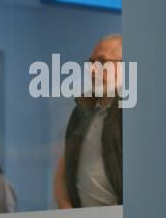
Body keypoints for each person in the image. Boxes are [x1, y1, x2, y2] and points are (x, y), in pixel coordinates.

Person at [53, 34, 123, 208]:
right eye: (91, 62)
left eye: (102, 62)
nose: (92, 69)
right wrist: (67, 209)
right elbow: (64, 165)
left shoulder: (134, 113)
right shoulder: (81, 112)